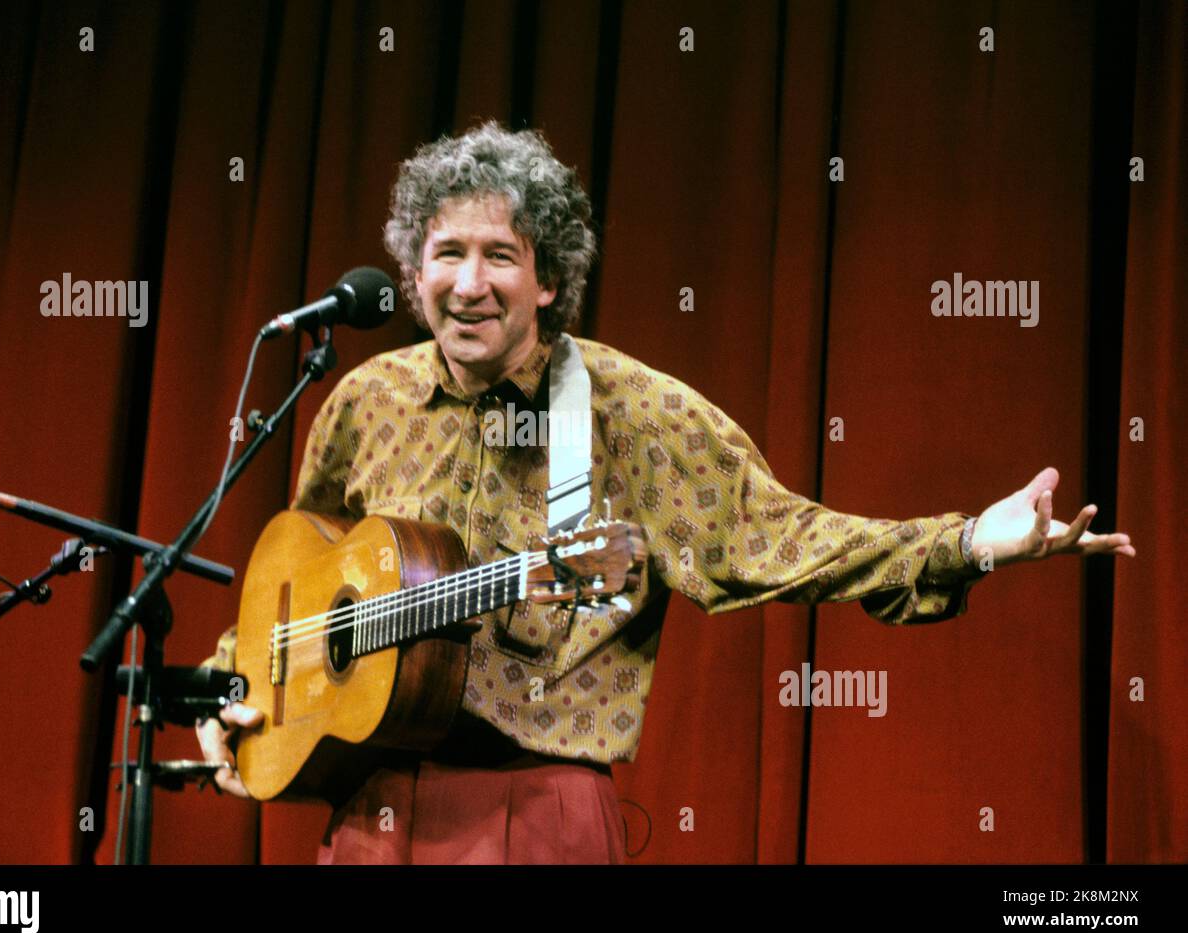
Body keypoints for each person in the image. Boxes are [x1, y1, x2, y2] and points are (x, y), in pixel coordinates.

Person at [195, 121, 1135, 864]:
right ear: (413, 273)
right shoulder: (364, 400)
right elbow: (298, 570)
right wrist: (238, 682)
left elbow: (780, 540)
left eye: (500, 256)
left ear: (550, 281)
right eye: (446, 254)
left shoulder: (630, 412)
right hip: (363, 811)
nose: (468, 284)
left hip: (531, 813)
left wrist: (968, 541)